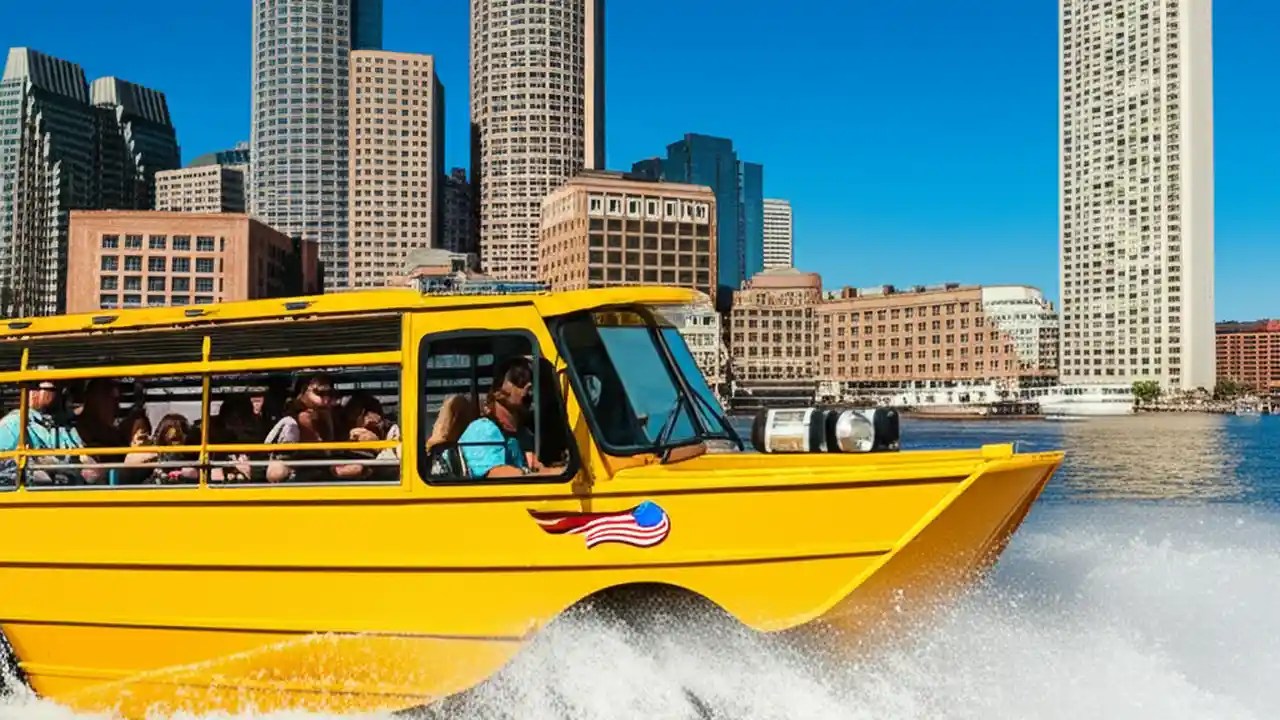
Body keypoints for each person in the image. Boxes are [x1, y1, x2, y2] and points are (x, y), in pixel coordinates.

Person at [456, 357, 562, 478]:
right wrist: (529, 473)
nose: (529, 386)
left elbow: (539, 469)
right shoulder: (482, 430)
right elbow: (496, 474)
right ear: (498, 392)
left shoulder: (523, 435)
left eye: (531, 380)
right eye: (519, 379)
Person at [0, 380, 102, 485]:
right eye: (51, 388)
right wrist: (34, 473)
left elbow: (91, 469)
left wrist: (89, 468)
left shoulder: (65, 428)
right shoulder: (13, 424)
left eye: (61, 389)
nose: (62, 394)